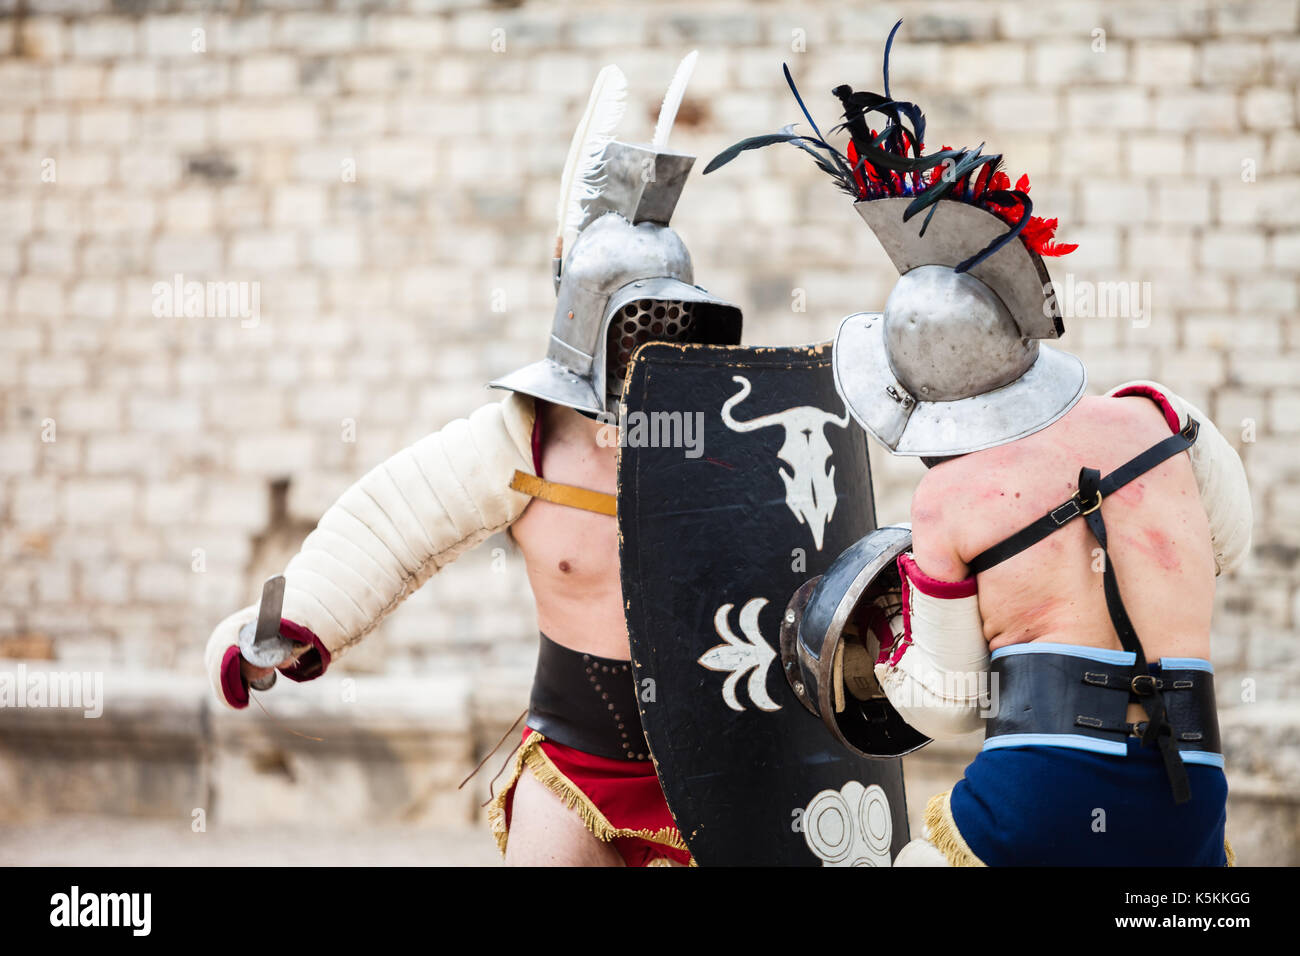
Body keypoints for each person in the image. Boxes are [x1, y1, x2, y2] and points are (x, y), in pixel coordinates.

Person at [710, 22, 1251, 865]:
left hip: (1038, 801)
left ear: (922, 400)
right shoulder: (1161, 418)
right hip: (1192, 792)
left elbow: (944, 701)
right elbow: (1232, 541)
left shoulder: (950, 500)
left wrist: (884, 651)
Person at [204, 58, 742, 867]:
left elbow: (803, 567)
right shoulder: (520, 444)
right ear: (586, 323)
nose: (653, 342)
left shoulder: (733, 443)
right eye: (637, 322)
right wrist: (279, 627)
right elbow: (394, 526)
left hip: (717, 770)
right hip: (574, 767)